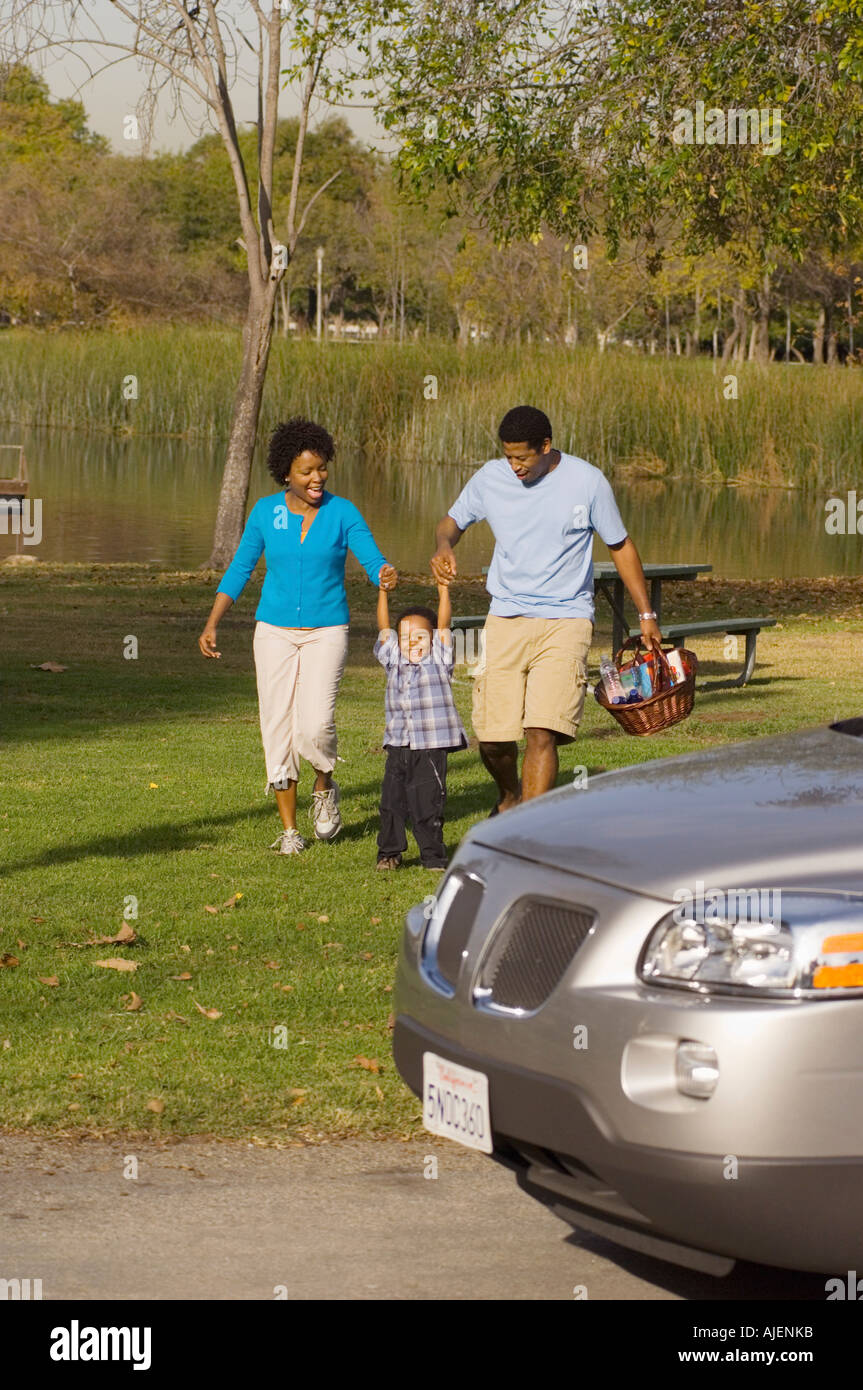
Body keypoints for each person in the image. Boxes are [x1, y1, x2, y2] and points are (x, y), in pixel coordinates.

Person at [430, 404, 662, 813]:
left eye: (522, 457)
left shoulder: (587, 482)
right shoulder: (490, 478)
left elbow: (620, 545)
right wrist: (444, 545)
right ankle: (508, 796)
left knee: (542, 731)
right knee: (493, 737)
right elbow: (451, 521)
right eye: (509, 456)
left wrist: (647, 615)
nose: (515, 466)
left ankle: (524, 830)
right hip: (505, 616)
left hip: (566, 618)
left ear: (546, 446)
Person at [198, 417, 397, 854]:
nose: (317, 479)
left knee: (314, 725)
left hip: (327, 630)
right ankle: (290, 831)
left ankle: (324, 785)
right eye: (307, 471)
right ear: (285, 472)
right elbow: (240, 569)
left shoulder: (342, 512)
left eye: (322, 469)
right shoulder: (265, 513)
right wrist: (213, 621)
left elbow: (371, 556)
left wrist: (383, 571)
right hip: (273, 632)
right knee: (277, 728)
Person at [373, 579, 467, 870]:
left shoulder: (439, 658)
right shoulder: (394, 660)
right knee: (391, 803)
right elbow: (384, 628)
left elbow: (444, 625)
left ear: (432, 639)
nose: (412, 643)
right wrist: (383, 593)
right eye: (406, 638)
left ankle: (433, 856)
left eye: (420, 638)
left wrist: (443, 590)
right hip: (398, 744)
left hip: (431, 746)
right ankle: (389, 853)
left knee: (428, 804)